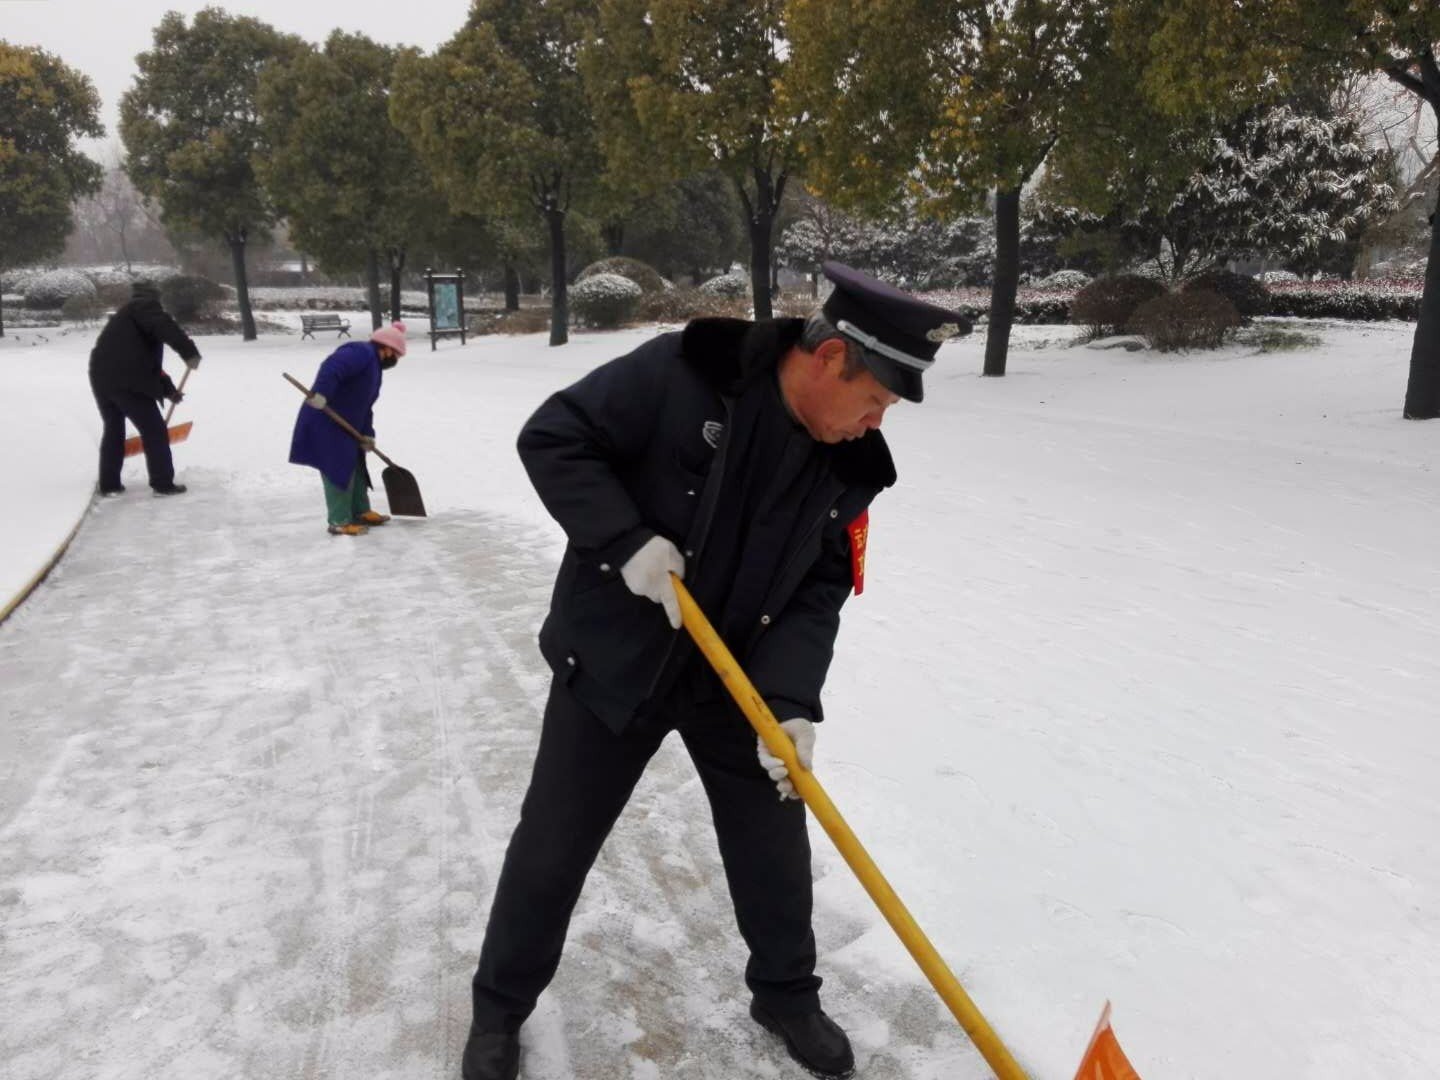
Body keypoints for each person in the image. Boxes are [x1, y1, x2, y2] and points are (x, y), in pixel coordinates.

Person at [462, 262, 971, 1080]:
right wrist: (624, 540)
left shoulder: (851, 466)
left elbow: (818, 592)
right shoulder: (684, 373)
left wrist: (790, 703)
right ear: (830, 357)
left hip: (736, 679)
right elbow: (554, 437)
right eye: (876, 398)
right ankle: (498, 1010)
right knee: (553, 845)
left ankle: (787, 995)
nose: (877, 422)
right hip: (621, 659)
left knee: (773, 846)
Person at [288, 321, 407, 536]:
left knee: (357, 466)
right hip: (325, 419)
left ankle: (360, 511)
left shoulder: (375, 367)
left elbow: (365, 405)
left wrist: (368, 434)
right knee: (337, 467)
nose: (396, 360)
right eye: (397, 355)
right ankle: (339, 520)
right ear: (388, 349)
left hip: (348, 425)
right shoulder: (360, 352)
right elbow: (332, 367)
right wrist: (321, 393)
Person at [88, 281, 201, 497]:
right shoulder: (145, 307)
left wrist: (169, 390)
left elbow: (143, 362)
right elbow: (166, 327)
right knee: (154, 431)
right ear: (154, 296)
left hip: (102, 378)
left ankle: (109, 484)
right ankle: (162, 483)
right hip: (127, 380)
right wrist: (189, 352)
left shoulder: (125, 317)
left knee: (114, 429)